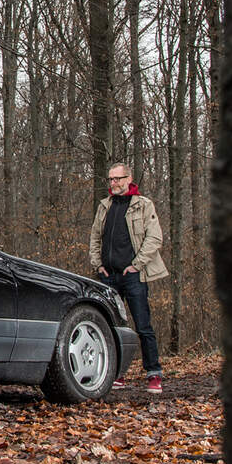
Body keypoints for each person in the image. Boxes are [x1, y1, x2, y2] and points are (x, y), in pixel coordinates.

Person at [89, 163, 169, 393]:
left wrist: (136, 265)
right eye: (111, 179)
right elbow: (95, 237)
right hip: (108, 277)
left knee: (143, 325)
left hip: (134, 276)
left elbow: (155, 238)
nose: (113, 183)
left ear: (129, 178)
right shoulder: (105, 206)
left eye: (118, 179)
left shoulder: (143, 205)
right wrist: (98, 265)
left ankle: (154, 374)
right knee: (111, 327)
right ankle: (116, 375)